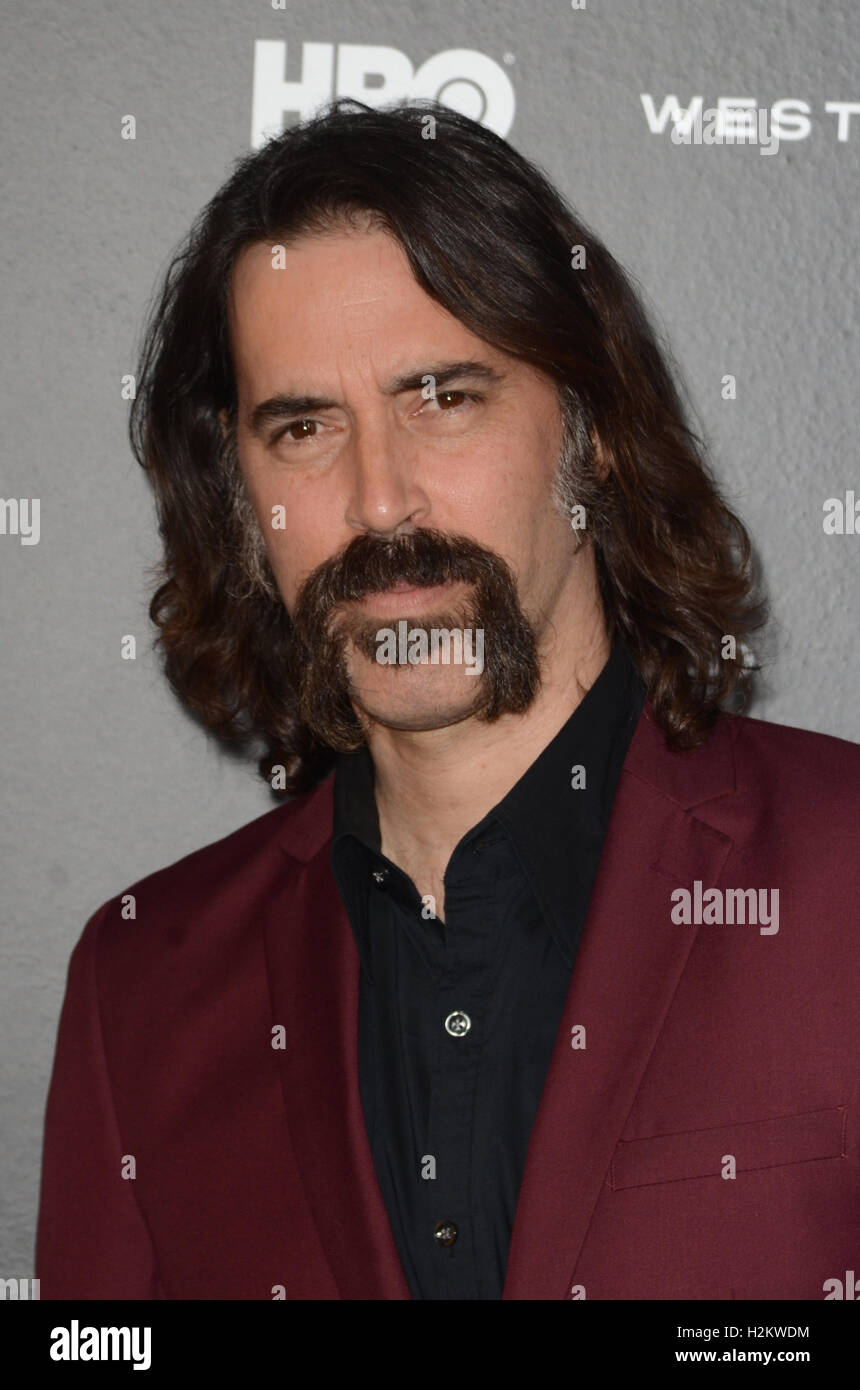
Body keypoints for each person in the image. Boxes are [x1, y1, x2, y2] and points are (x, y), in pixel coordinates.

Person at [36, 101, 860, 1301]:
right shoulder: (141, 986)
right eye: (305, 426)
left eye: (442, 397)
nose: (380, 501)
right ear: (237, 493)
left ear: (594, 430)